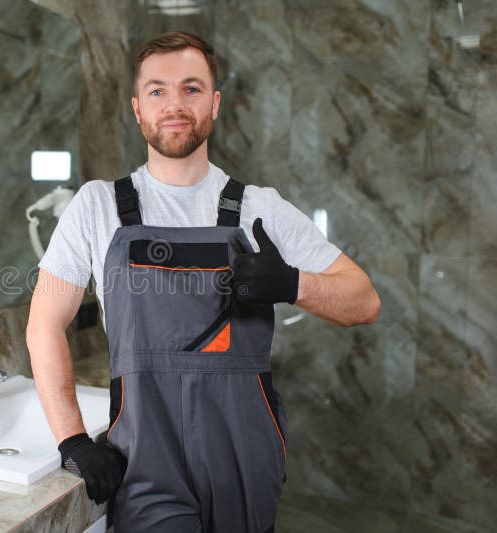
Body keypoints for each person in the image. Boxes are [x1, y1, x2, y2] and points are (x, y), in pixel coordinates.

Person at [26, 32, 380, 532]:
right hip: (147, 461)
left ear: (214, 103)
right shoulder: (98, 205)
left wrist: (293, 283)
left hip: (245, 454)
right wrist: (73, 441)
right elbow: (43, 324)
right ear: (136, 108)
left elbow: (364, 300)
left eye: (191, 89)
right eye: (157, 90)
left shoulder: (259, 207)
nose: (174, 104)